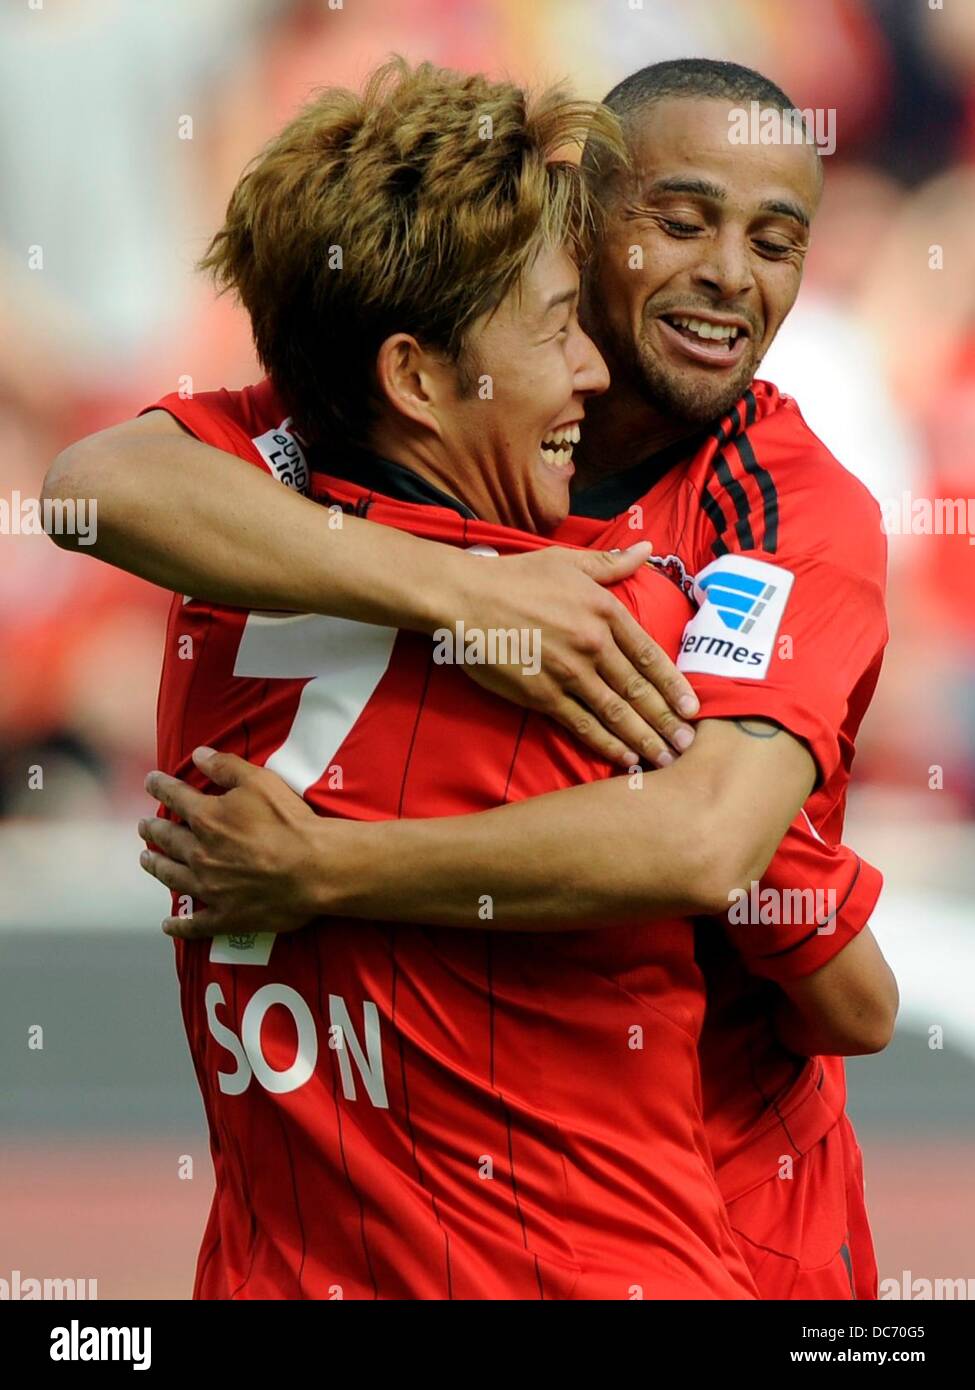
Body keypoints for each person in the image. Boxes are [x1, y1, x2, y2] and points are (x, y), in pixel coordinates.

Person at [44, 58, 897, 1299]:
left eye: (778, 239)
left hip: (734, 1218)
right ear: (578, 213)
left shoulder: (778, 515)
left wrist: (322, 870)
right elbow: (89, 486)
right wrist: (470, 595)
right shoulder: (467, 454)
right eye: (681, 219)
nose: (731, 273)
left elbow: (717, 842)